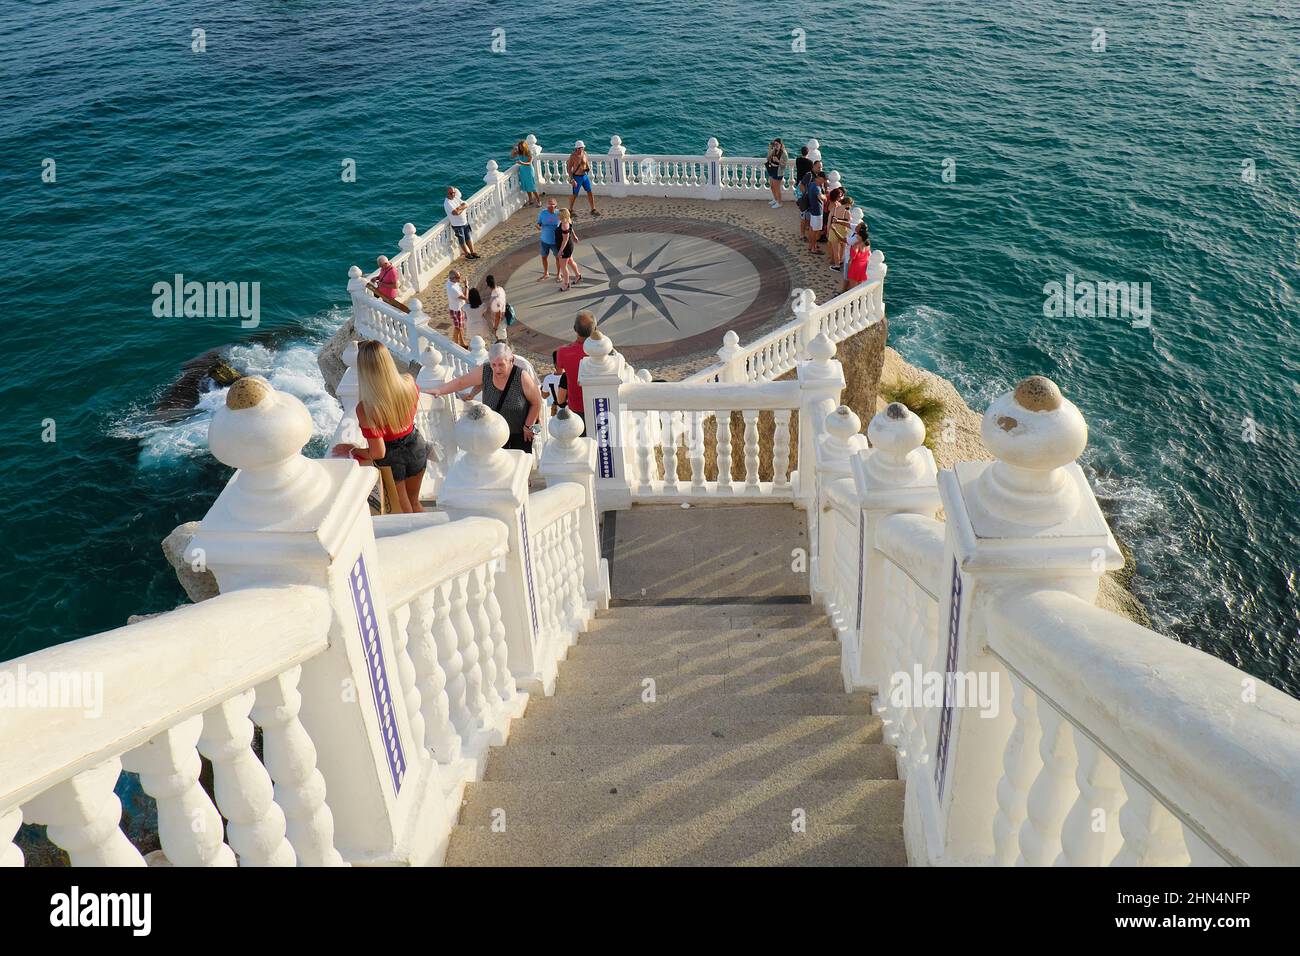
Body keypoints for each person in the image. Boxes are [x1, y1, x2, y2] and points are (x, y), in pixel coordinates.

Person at [331, 341, 428, 514]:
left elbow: (378, 453)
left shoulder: (367, 408)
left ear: (364, 370)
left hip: (392, 458)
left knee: (404, 510)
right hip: (416, 445)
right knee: (415, 503)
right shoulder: (409, 382)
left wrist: (354, 449)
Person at [428, 342, 543, 452]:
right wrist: (440, 390)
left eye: (501, 365)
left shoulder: (522, 376)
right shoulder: (486, 370)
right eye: (494, 364)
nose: (497, 369)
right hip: (494, 434)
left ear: (511, 360)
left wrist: (528, 426)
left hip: (520, 434)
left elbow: (536, 402)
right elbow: (461, 382)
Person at [554, 311, 595, 432]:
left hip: (576, 408)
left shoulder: (563, 352)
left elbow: (560, 369)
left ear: (574, 329)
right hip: (598, 405)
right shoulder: (602, 352)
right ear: (595, 329)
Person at [443, 187, 479, 259]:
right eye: (451, 193)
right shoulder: (447, 203)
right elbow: (456, 213)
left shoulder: (456, 198)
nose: (453, 194)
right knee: (462, 240)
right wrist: (462, 207)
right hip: (457, 225)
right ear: (447, 193)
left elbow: (466, 204)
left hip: (465, 222)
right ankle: (467, 254)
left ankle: (472, 252)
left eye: (454, 193)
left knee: (468, 238)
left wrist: (459, 208)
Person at [567, 141, 600, 217]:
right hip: (577, 177)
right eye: (579, 148)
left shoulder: (584, 153)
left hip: (584, 176)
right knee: (575, 194)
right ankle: (570, 210)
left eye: (582, 148)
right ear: (576, 148)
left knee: (590, 191)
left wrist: (588, 168)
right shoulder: (573, 156)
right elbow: (569, 168)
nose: (580, 149)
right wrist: (572, 179)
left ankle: (593, 209)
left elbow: (586, 162)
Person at [555, 209, 583, 290]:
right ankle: (578, 276)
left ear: (563, 215)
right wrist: (574, 236)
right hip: (568, 247)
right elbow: (572, 229)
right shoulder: (567, 220)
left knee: (563, 267)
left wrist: (560, 251)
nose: (557, 216)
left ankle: (566, 284)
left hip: (565, 248)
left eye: (559, 214)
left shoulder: (564, 225)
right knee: (570, 261)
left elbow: (565, 240)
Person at [536, 197, 561, 281]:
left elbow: (567, 223)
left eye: (552, 204)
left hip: (555, 241)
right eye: (549, 204)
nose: (550, 206)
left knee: (558, 258)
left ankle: (559, 274)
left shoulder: (559, 213)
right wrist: (538, 226)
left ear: (556, 205)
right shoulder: (543, 213)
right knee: (544, 257)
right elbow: (538, 223)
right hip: (544, 240)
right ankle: (546, 273)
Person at [824, 188, 849, 270]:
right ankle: (838, 260)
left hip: (833, 227)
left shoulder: (833, 205)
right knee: (839, 246)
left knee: (833, 246)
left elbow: (829, 220)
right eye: (840, 196)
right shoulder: (837, 206)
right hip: (839, 228)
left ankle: (834, 261)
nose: (841, 197)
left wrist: (828, 231)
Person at [843, 222, 872, 291]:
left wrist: (849, 270)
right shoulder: (868, 245)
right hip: (863, 268)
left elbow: (851, 259)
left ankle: (845, 293)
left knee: (852, 288)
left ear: (860, 237)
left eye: (858, 235)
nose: (856, 236)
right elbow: (868, 255)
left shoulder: (856, 246)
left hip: (855, 267)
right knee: (858, 286)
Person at [511, 140, 540, 206]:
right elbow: (512, 156)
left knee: (532, 187)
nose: (521, 148)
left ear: (525, 146)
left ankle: (539, 201)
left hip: (529, 171)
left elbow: (529, 163)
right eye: (520, 147)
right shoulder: (520, 152)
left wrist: (521, 163)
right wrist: (514, 150)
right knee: (527, 186)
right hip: (523, 171)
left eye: (522, 147)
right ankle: (530, 200)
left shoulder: (529, 153)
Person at [445, 269, 468, 348]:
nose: (459, 278)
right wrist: (466, 286)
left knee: (460, 327)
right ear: (452, 278)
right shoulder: (452, 288)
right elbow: (466, 297)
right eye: (458, 277)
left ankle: (462, 342)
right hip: (456, 310)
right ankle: (455, 344)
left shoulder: (451, 282)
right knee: (458, 328)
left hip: (457, 308)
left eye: (459, 276)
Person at [805, 171, 827, 254]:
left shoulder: (812, 184)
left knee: (811, 229)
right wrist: (825, 197)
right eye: (823, 180)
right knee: (815, 232)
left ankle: (810, 246)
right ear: (820, 178)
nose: (823, 182)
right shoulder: (817, 187)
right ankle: (813, 249)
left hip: (812, 210)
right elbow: (820, 196)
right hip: (817, 212)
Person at [765, 138, 788, 208]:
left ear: (781, 144)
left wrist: (778, 161)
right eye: (774, 144)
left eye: (777, 144)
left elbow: (784, 165)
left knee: (776, 188)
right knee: (772, 186)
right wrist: (769, 149)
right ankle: (775, 199)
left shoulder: (784, 153)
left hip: (778, 171)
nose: (775, 146)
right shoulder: (774, 150)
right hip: (772, 169)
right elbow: (768, 158)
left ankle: (779, 202)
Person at [485, 274, 508, 341]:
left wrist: (495, 328)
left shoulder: (494, 298)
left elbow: (498, 315)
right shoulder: (501, 289)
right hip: (503, 319)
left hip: (498, 324)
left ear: (487, 284)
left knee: (501, 341)